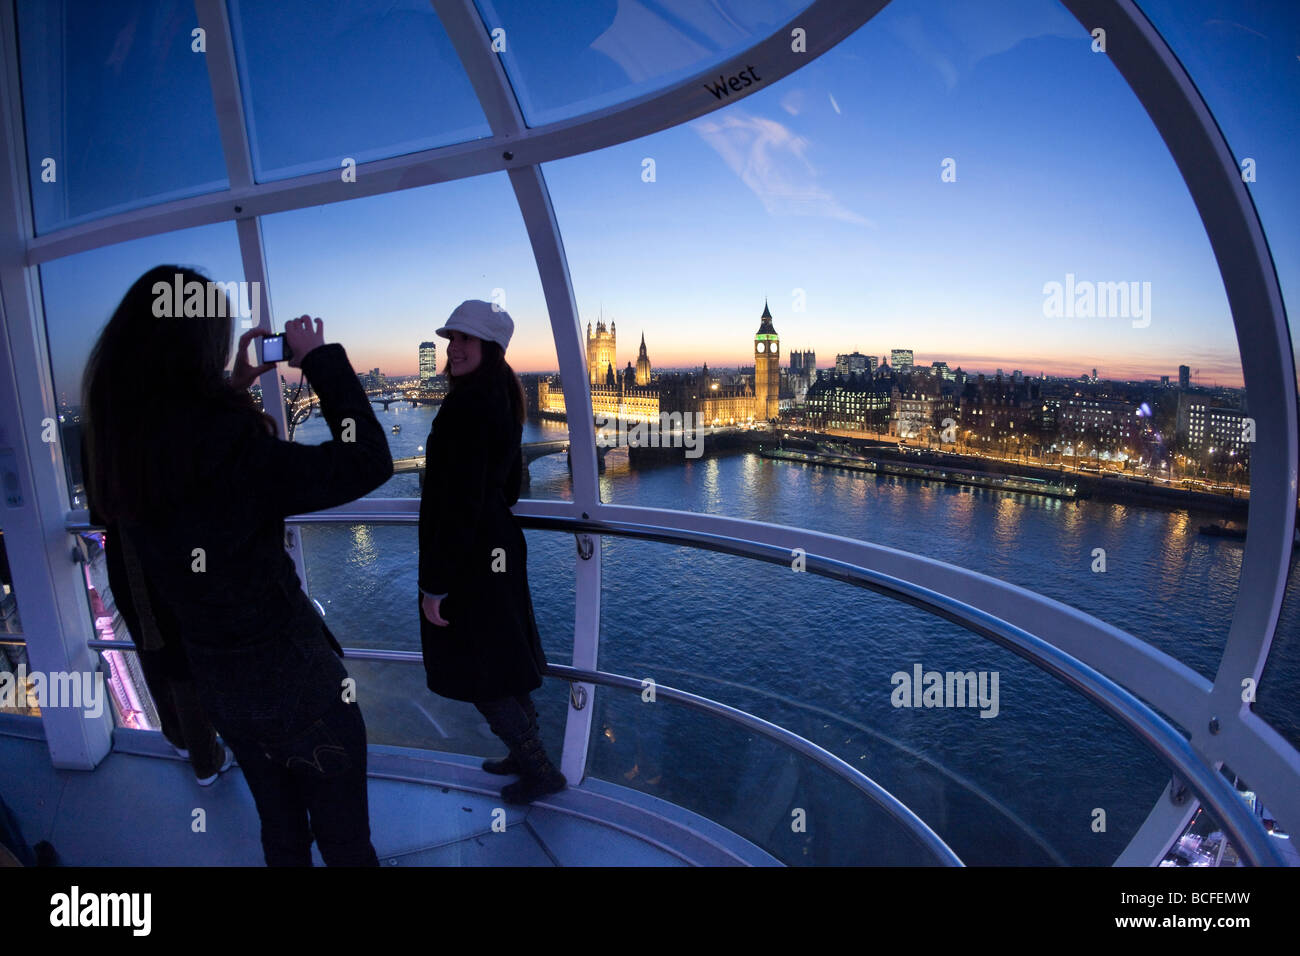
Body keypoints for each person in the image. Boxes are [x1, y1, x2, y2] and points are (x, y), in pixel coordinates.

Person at [81, 265, 393, 865]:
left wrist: (234, 386)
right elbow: (367, 459)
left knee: (280, 831)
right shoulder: (235, 450)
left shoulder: (121, 447)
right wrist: (323, 360)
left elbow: (189, 461)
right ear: (200, 348)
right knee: (347, 842)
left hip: (223, 689)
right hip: (298, 686)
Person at [418, 300, 564, 804]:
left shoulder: (467, 406)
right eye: (451, 338)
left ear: (490, 347)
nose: (453, 348)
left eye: (465, 339)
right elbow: (506, 489)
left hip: (472, 558)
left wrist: (436, 583)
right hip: (497, 545)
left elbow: (459, 503)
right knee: (500, 656)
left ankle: (540, 768)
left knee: (483, 672)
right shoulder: (502, 395)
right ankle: (524, 753)